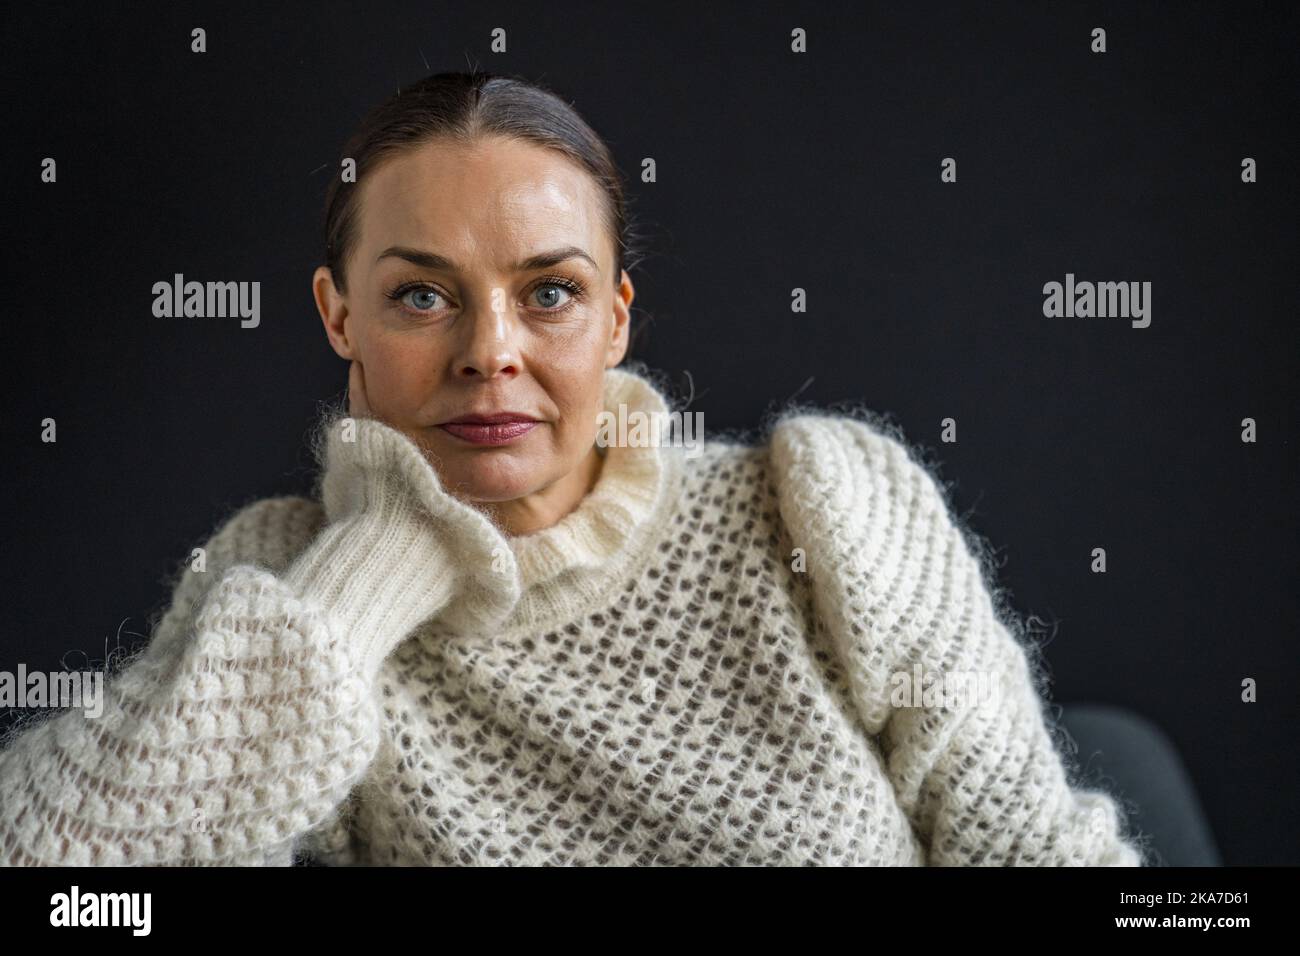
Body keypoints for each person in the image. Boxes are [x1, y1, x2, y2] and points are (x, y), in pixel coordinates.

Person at [0, 70, 1154, 866]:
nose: (489, 349)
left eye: (548, 292)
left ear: (614, 319)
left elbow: (1032, 846)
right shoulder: (292, 585)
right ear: (337, 315)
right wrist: (388, 557)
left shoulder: (821, 504)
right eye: (419, 295)